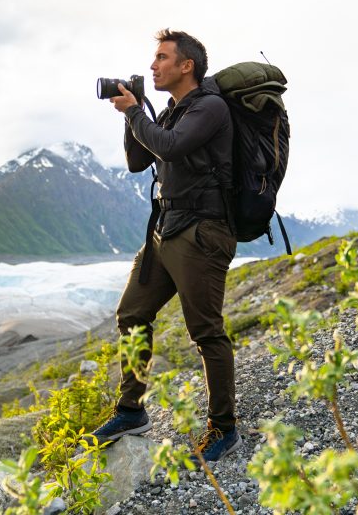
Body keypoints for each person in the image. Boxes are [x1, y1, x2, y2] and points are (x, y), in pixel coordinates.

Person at [92, 29, 241, 462]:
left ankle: (224, 428)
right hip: (166, 227)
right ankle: (131, 410)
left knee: (206, 331)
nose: (152, 66)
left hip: (202, 231)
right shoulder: (175, 111)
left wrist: (136, 111)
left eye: (161, 58)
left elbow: (171, 148)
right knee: (132, 313)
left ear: (186, 66)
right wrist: (132, 115)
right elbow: (138, 161)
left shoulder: (210, 107)